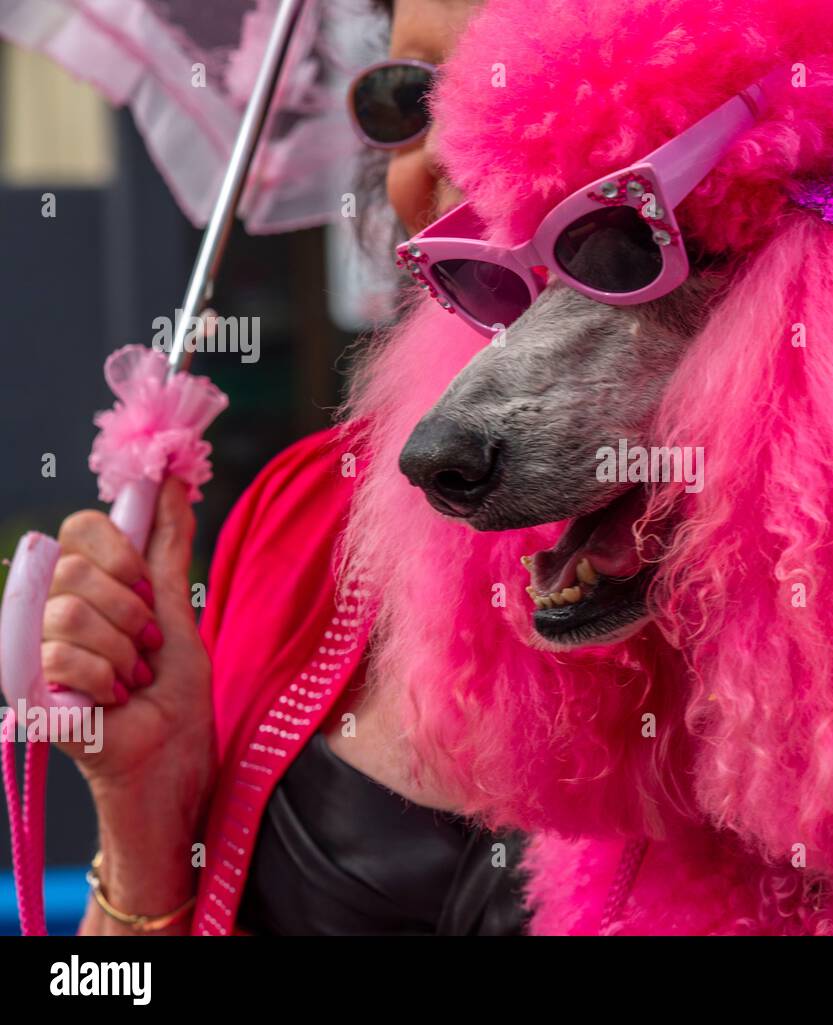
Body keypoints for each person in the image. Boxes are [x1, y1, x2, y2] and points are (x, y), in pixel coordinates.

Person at [43, 0, 519, 936]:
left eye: (508, 88)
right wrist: (144, 821)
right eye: (404, 98)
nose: (436, 162)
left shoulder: (828, 551)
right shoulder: (304, 514)